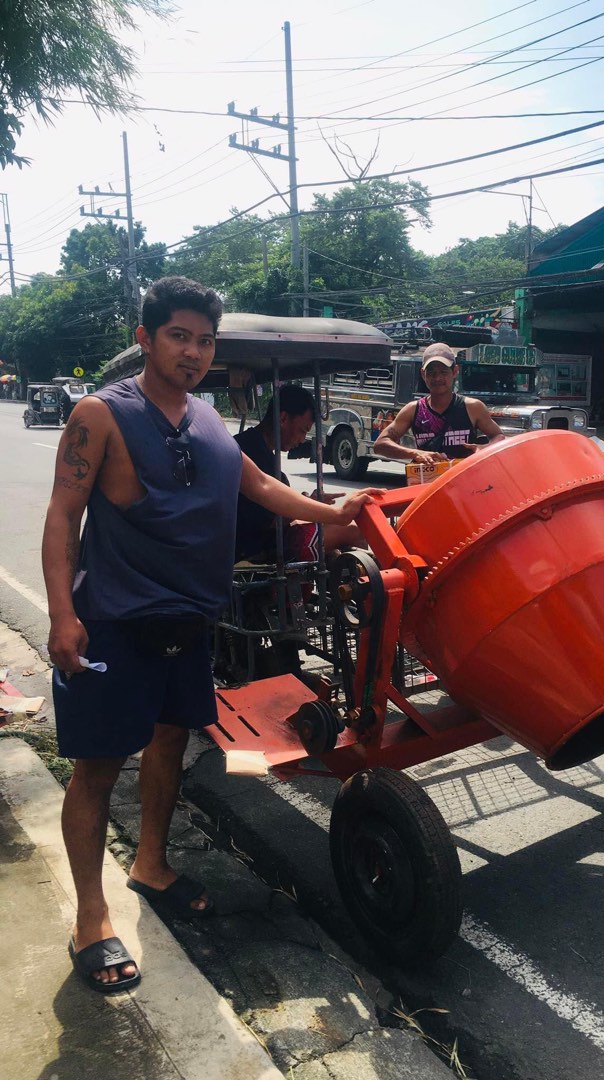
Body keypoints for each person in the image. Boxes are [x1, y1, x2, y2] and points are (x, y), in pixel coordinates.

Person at [41, 276, 379, 994]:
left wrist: (336, 515)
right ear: (147, 339)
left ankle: (151, 864)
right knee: (99, 768)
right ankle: (91, 919)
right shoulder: (102, 414)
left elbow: (258, 486)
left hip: (189, 623)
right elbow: (62, 515)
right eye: (178, 336)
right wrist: (61, 615)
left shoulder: (208, 420)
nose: (193, 352)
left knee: (169, 742)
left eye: (204, 340)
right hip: (112, 622)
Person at [234, 383, 361, 564]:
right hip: (252, 548)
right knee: (352, 531)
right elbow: (266, 521)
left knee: (342, 531)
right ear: (283, 418)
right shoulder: (250, 452)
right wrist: (315, 506)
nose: (302, 440)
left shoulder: (255, 446)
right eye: (302, 430)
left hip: (266, 538)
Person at [374, 341, 505, 465]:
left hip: (462, 484)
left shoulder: (472, 407)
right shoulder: (413, 410)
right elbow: (380, 444)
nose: (437, 378)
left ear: (455, 372)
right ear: (423, 374)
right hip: (428, 484)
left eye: (443, 372)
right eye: (431, 373)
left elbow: (499, 436)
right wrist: (415, 453)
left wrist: (485, 448)